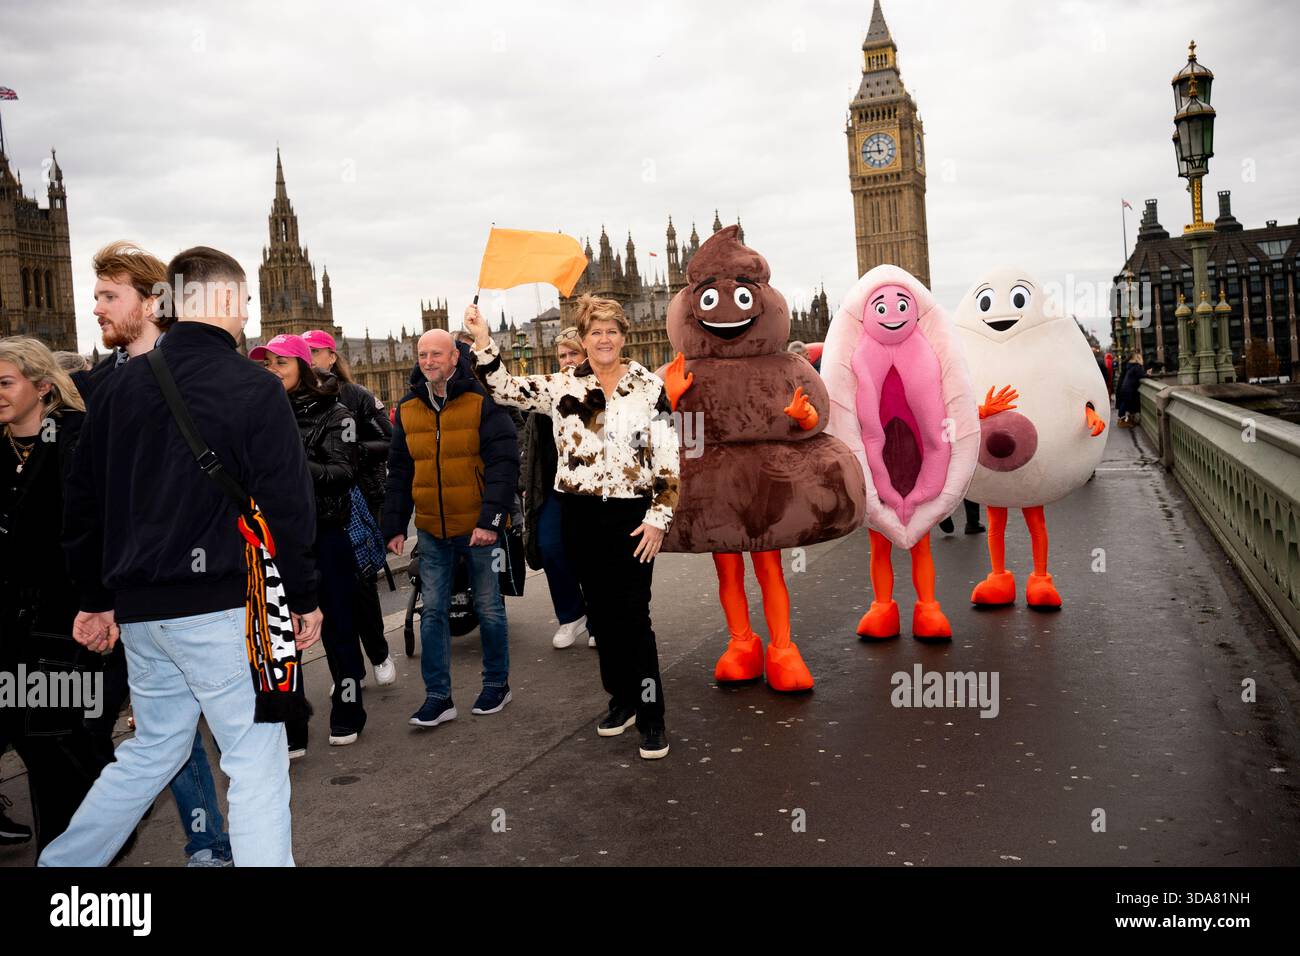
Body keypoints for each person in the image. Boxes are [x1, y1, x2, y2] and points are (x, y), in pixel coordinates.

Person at [40, 246, 322, 867]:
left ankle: (63, 867)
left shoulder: (112, 391)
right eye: (244, 301)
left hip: (143, 614)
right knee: (254, 759)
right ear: (222, 301)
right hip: (220, 606)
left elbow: (83, 508)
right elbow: (287, 505)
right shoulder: (252, 385)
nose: (248, 313)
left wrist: (96, 600)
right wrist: (302, 598)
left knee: (153, 749)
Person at [463, 294, 679, 760]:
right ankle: (620, 700)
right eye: (595, 332)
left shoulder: (646, 386)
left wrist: (659, 518)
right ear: (583, 340)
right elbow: (502, 388)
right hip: (579, 513)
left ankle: (651, 714)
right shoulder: (562, 385)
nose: (604, 339)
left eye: (611, 331)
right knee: (600, 614)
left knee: (634, 617)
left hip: (629, 513)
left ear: (624, 338)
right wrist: (483, 340)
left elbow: (667, 456)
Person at [75, 240, 234, 866]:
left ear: (151, 302)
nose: (96, 309)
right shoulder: (98, 388)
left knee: (205, 738)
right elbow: (87, 507)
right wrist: (96, 598)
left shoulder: (203, 373)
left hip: (205, 593)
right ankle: (204, 840)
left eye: (109, 296)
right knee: (163, 739)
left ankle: (207, 842)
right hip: (137, 598)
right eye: (95, 297)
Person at [0, 337, 107, 853]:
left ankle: (75, 853)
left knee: (62, 744)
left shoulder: (76, 438)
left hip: (67, 623)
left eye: (5, 382)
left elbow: (98, 528)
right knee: (40, 745)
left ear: (42, 386)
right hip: (12, 625)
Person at [382, 329, 517, 728]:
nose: (428, 361)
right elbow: (400, 471)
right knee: (434, 613)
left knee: (489, 608)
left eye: (436, 354)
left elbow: (504, 463)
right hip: (431, 529)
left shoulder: (482, 401)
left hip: (478, 527)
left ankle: (496, 683)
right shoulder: (408, 407)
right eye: (422, 354)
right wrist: (393, 525)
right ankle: (438, 697)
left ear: (455, 357)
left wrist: (491, 520)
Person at [254, 333, 365, 748]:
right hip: (273, 540)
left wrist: (294, 465)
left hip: (325, 533)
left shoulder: (338, 415)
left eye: (281, 363)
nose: (273, 371)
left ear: (303, 367)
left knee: (337, 627)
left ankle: (349, 708)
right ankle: (291, 725)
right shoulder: (260, 416)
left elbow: (344, 472)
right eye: (268, 364)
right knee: (282, 639)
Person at [301, 329, 396, 689]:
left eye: (314, 352)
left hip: (356, 498)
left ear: (330, 356)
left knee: (360, 585)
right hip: (316, 507)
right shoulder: (293, 400)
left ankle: (378, 652)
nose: (308, 359)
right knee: (327, 593)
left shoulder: (356, 396)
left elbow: (388, 438)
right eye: (303, 353)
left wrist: (353, 450)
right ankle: (347, 671)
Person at [521, 327, 594, 649]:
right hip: (552, 488)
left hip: (590, 490)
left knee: (590, 552)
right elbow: (530, 441)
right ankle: (571, 614)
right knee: (549, 546)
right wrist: (525, 484)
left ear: (586, 355)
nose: (567, 360)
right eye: (562, 355)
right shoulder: (548, 391)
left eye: (573, 354)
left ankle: (598, 620)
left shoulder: (598, 391)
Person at [1116, 352, 1146, 428]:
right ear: (1138, 359)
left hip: (1125, 387)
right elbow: (1141, 375)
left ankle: (1122, 420)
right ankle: (1121, 421)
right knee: (1125, 404)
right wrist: (1148, 374)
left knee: (1125, 404)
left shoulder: (1130, 366)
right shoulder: (1137, 366)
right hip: (1129, 389)